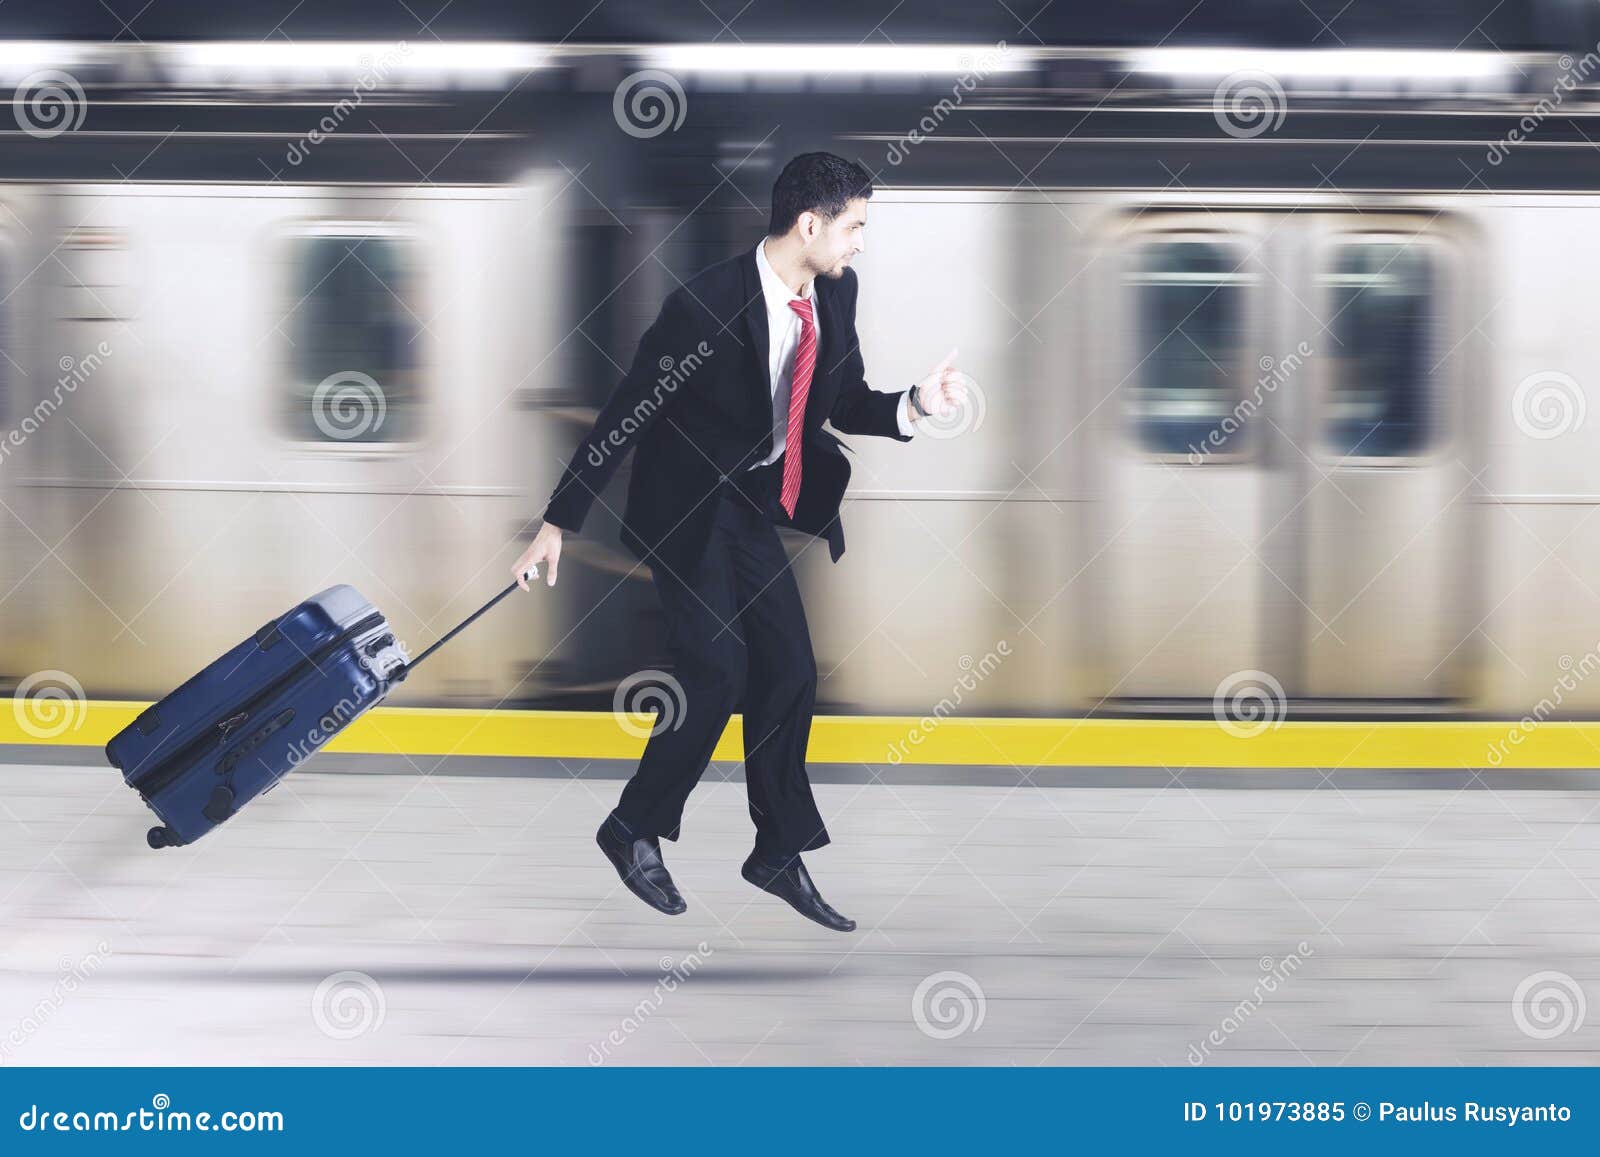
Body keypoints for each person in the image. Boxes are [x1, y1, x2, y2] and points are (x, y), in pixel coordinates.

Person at [512, 152, 970, 931]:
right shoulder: (705, 306)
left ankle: (776, 850)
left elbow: (845, 399)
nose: (860, 243)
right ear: (809, 223)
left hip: (749, 501)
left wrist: (916, 404)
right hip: (682, 506)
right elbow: (627, 412)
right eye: (855, 226)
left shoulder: (836, 293)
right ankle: (632, 827)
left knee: (790, 665)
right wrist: (557, 522)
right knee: (718, 667)